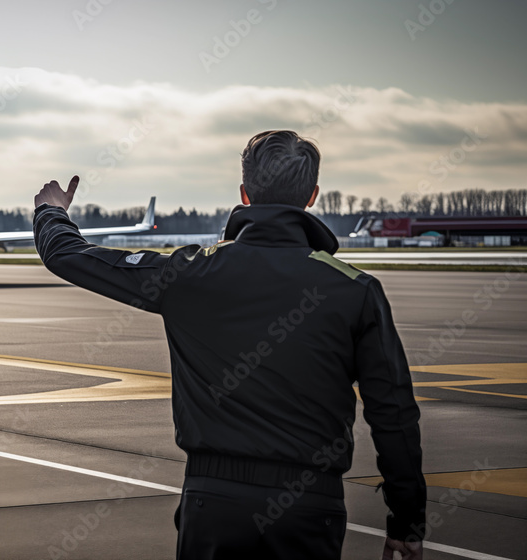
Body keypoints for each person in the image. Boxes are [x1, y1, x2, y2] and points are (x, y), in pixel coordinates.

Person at [32, 130, 426, 560]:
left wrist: (52, 214)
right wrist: (406, 521)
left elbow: (70, 256)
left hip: (214, 503)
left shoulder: (189, 274)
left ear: (245, 193)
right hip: (310, 507)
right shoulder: (356, 290)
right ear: (312, 196)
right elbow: (394, 414)